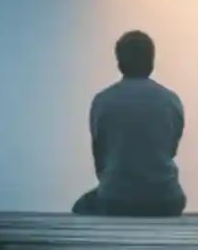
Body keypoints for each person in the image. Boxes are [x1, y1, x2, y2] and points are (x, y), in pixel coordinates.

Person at [72, 30, 186, 217]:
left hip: (115, 199)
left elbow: (100, 157)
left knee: (81, 207)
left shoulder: (102, 100)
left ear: (119, 63)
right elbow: (170, 150)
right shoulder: (171, 100)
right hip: (166, 200)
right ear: (152, 61)